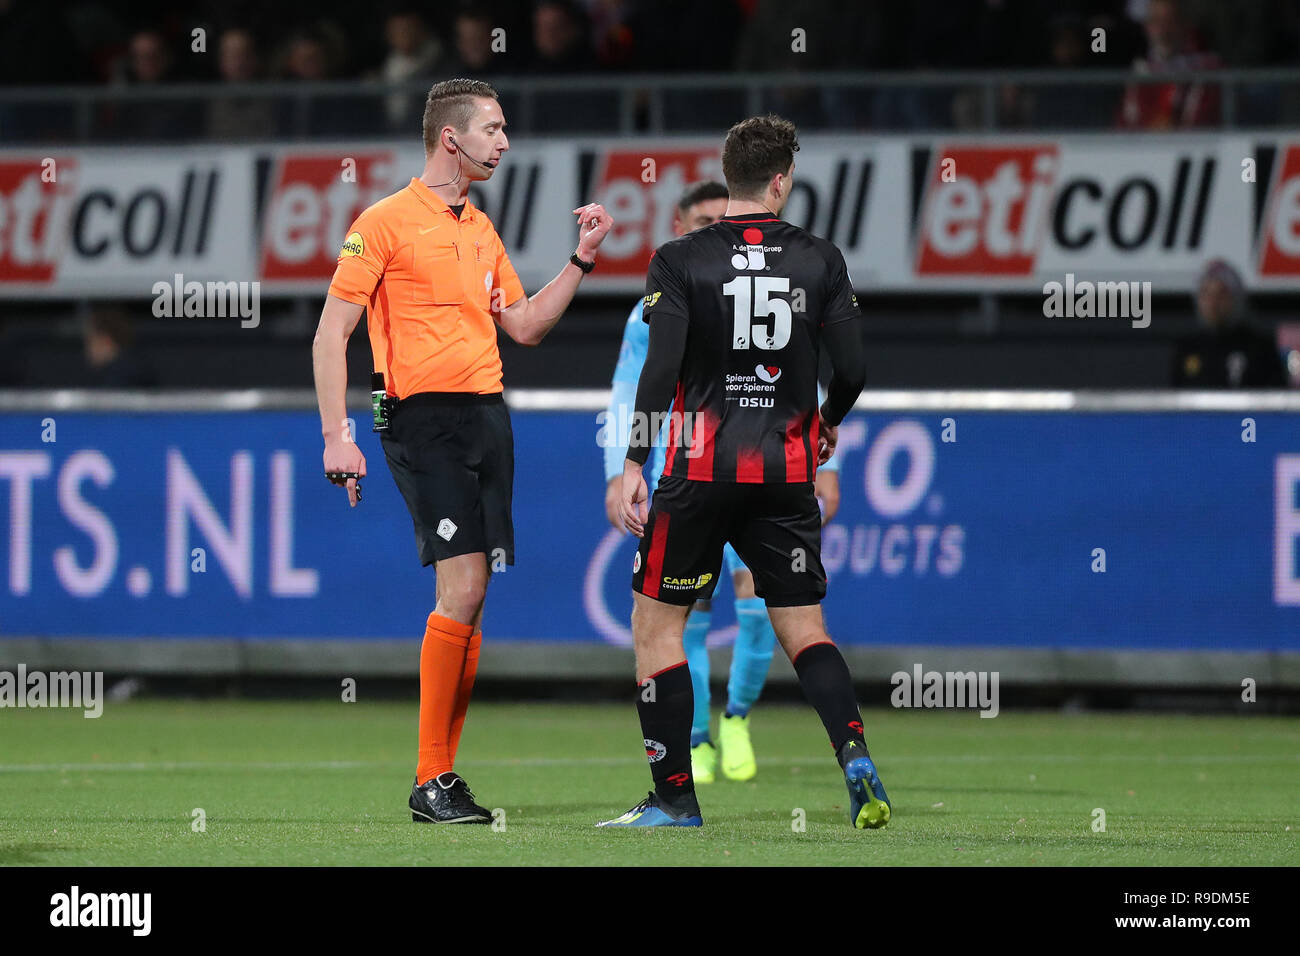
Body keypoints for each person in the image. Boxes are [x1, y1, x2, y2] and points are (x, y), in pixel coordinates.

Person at [312, 78, 612, 824]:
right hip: (420, 419)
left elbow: (525, 327)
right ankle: (430, 778)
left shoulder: (480, 228)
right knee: (464, 591)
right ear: (452, 137)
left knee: (474, 597)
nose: (504, 141)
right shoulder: (381, 222)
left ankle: (440, 779)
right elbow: (330, 335)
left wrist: (580, 261)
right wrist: (335, 436)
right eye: (494, 128)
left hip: (486, 416)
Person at [598, 115, 887, 829]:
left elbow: (660, 370)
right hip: (783, 472)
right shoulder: (820, 259)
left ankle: (674, 799)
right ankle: (854, 756)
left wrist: (635, 458)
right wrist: (826, 425)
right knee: (804, 626)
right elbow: (851, 369)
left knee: (657, 625)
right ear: (782, 181)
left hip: (698, 467)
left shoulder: (678, 258)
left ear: (727, 177)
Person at [1172, 259, 1288, 388]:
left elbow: (1276, 400)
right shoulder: (1186, 349)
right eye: (1206, 294)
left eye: (1221, 294)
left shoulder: (1260, 349)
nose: (1213, 303)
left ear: (1236, 299)